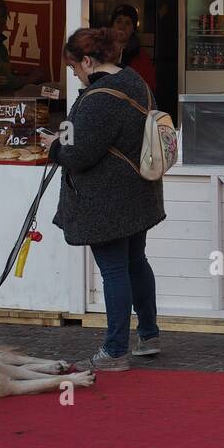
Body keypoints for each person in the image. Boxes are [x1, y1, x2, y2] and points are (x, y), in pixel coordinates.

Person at [45, 28, 165, 371]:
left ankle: (114, 351)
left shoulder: (99, 98)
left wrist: (53, 146)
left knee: (114, 271)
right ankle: (149, 335)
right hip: (139, 189)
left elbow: (79, 154)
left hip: (108, 199)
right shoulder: (135, 81)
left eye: (74, 68)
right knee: (135, 262)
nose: (74, 75)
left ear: (87, 61)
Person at [0, 0, 45, 95]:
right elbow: (0, 82)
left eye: (2, 16)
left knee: (53, 91)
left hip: (5, 98)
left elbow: (6, 75)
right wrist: (29, 79)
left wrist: (23, 75)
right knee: (49, 91)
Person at [110, 4, 157, 91]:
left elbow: (149, 88)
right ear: (112, 25)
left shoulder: (142, 57)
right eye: (118, 21)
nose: (122, 27)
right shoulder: (101, 53)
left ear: (133, 29)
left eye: (128, 23)